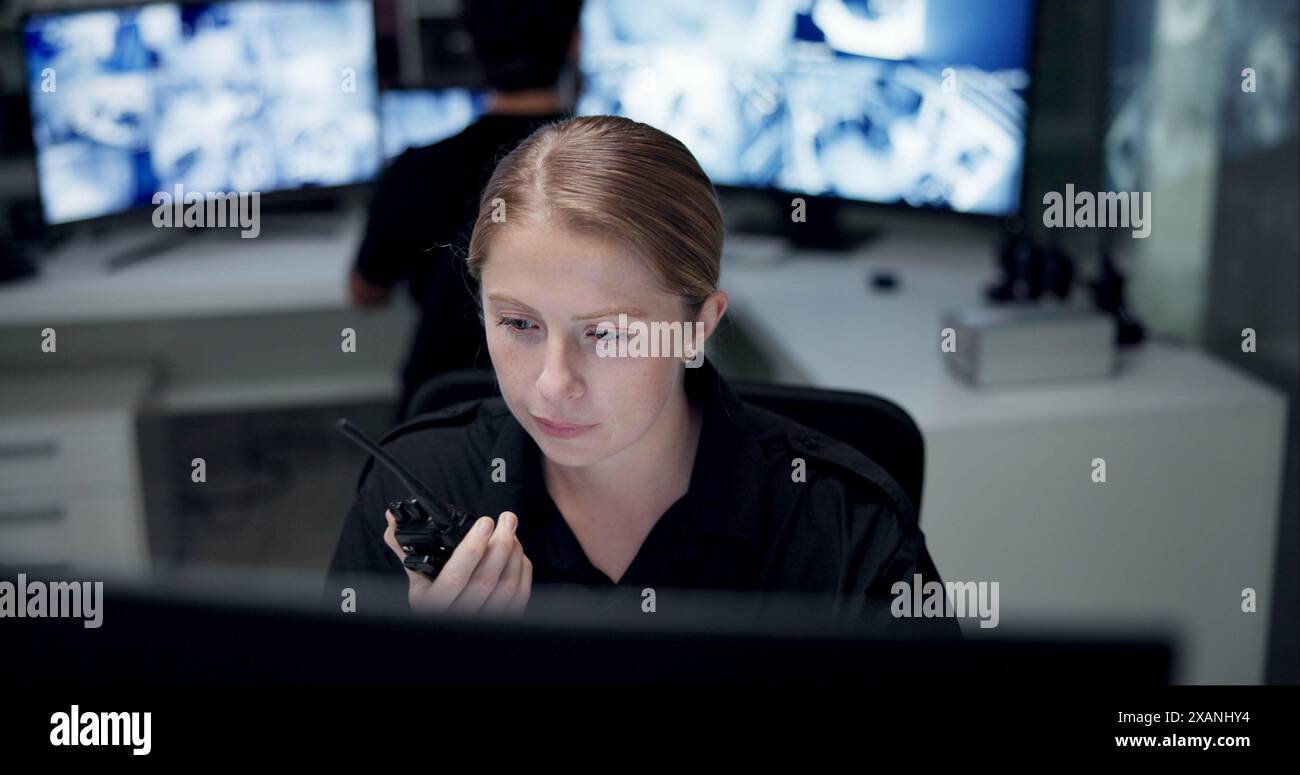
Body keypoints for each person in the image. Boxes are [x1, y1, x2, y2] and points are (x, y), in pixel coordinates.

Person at [329, 115, 958, 636]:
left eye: (606, 334)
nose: (552, 383)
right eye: (519, 325)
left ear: (699, 327)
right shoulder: (413, 491)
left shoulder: (843, 529)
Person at [348, 0, 582, 421]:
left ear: (470, 47)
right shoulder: (611, 172)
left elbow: (365, 292)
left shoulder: (417, 171)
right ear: (576, 44)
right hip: (576, 406)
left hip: (446, 420)